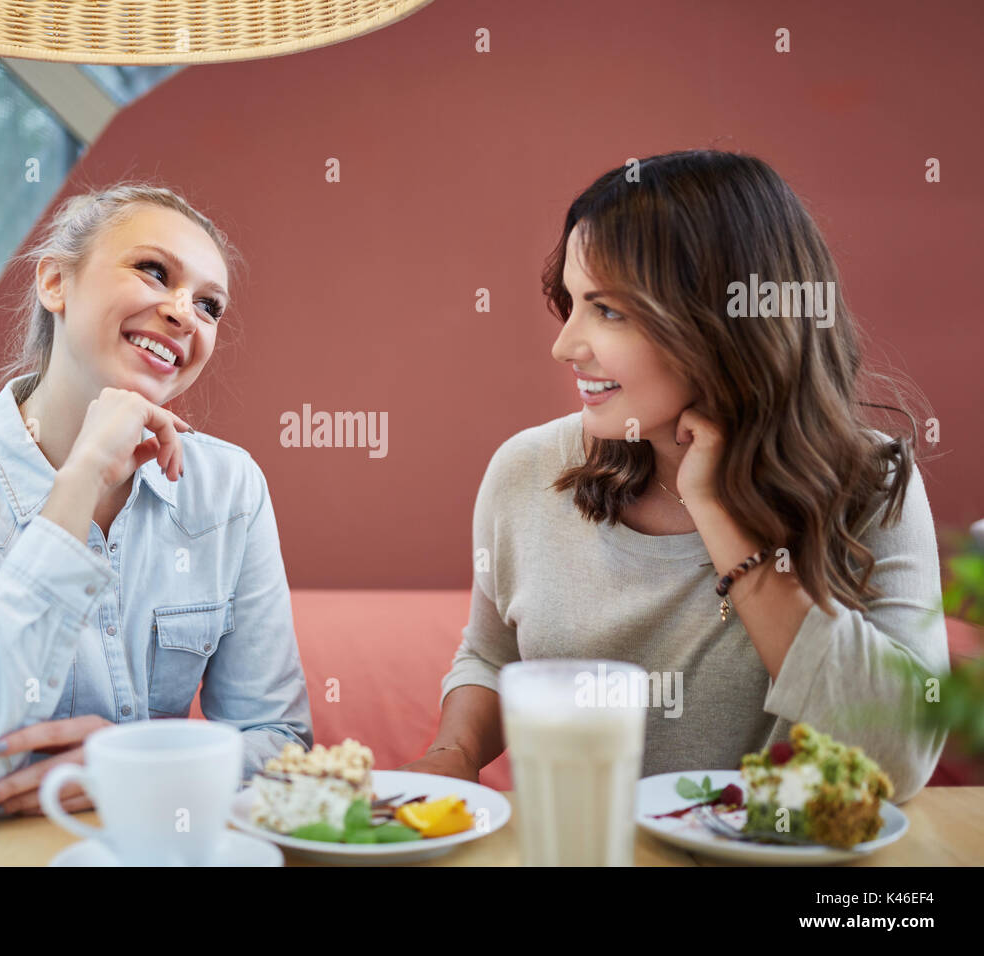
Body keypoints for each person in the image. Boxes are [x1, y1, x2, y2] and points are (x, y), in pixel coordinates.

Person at [403, 150, 948, 802]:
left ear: (722, 324)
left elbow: (900, 755)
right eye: (572, 303)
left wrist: (721, 515)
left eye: (608, 310)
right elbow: (494, 659)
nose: (566, 344)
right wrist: (453, 755)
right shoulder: (528, 470)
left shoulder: (868, 486)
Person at [0, 183, 313, 830]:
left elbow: (282, 744)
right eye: (154, 270)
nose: (185, 314)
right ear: (55, 284)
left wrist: (130, 761)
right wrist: (79, 483)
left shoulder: (229, 488)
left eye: (210, 306)